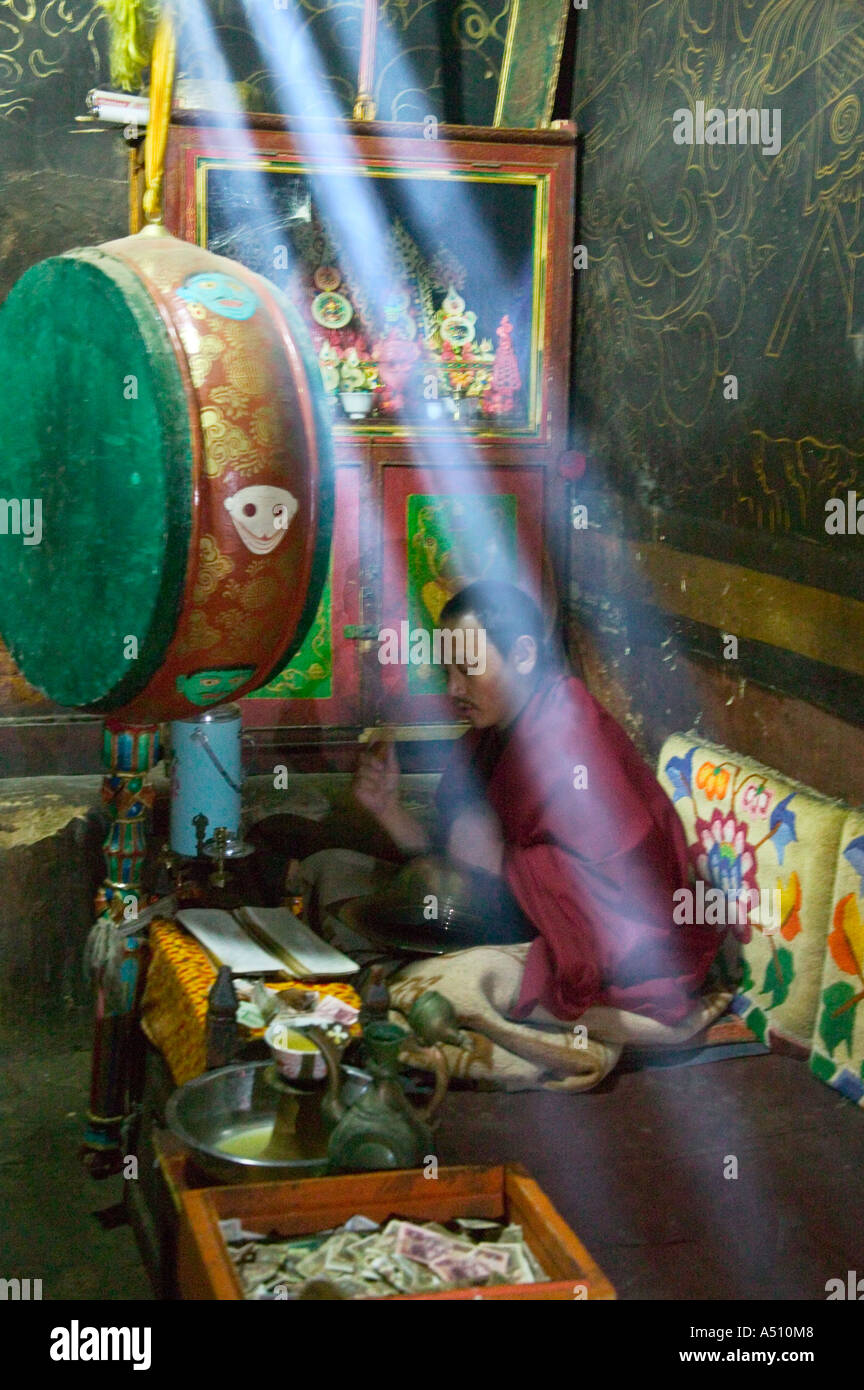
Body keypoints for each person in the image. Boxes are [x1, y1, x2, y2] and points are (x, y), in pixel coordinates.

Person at [352, 580, 721, 1027]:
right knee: (343, 870)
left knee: (416, 956)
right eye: (446, 671)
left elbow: (628, 879)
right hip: (518, 911)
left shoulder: (572, 737)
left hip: (628, 949)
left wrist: (505, 863)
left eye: (467, 669)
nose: (453, 688)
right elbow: (456, 853)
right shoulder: (492, 734)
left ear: (524, 656)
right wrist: (388, 809)